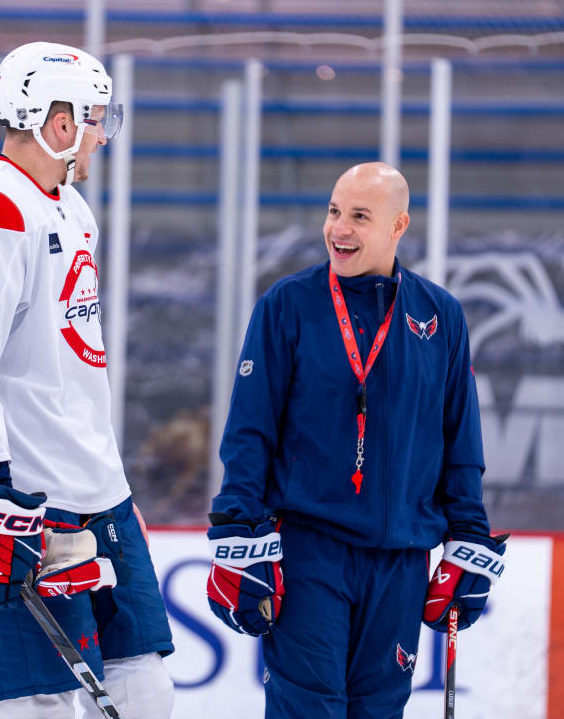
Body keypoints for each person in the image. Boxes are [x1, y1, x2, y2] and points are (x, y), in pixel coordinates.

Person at [0, 42, 174, 718]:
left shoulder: (68, 207)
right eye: (97, 120)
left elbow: (74, 367)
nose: (100, 137)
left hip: (87, 489)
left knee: (144, 685)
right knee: (39, 703)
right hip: (9, 495)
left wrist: (105, 481)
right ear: (60, 126)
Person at [206, 162, 506, 717]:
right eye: (333, 211)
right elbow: (249, 429)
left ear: (398, 226)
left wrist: (468, 535)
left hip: (402, 560)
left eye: (359, 217)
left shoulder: (441, 316)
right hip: (308, 553)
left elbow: (460, 439)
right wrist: (238, 530)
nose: (338, 229)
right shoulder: (287, 305)